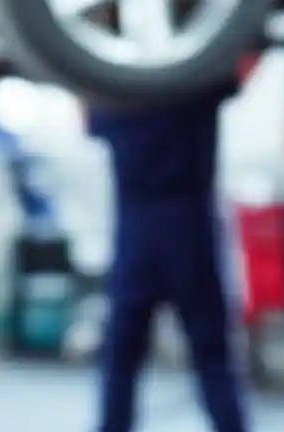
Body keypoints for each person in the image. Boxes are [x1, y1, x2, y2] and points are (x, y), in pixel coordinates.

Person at [88, 60, 259, 432]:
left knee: (120, 357)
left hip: (136, 230)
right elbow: (242, 60)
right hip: (190, 227)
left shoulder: (116, 90)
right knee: (213, 353)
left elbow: (86, 114)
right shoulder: (195, 83)